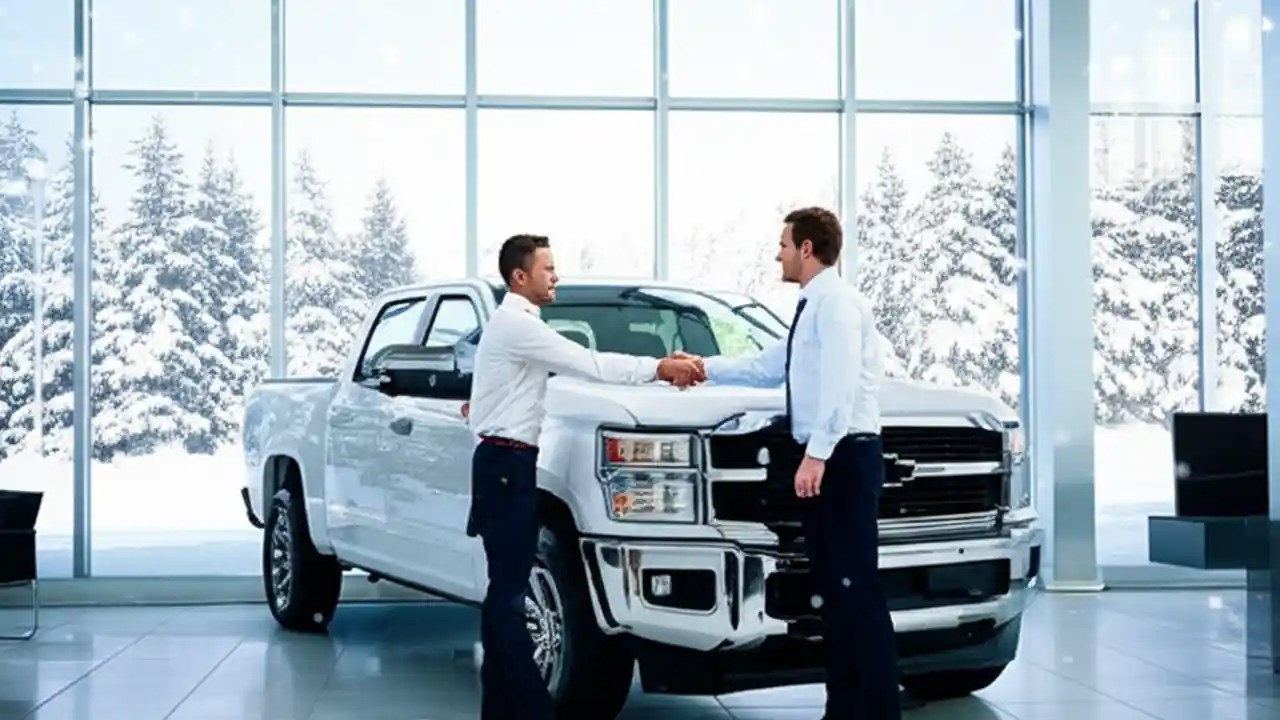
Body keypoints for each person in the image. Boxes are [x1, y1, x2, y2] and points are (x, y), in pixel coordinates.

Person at [465, 233, 704, 720]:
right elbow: (586, 362)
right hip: (507, 466)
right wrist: (658, 366)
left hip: (506, 464)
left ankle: (498, 710)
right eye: (548, 268)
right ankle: (534, 708)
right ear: (520, 276)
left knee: (503, 592)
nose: (556, 276)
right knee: (509, 597)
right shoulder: (517, 325)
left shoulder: (512, 327)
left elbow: (490, 400)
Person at [676, 207, 902, 719]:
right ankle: (844, 711)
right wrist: (703, 368)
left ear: (806, 248)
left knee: (855, 591)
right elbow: (769, 366)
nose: (776, 253)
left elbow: (841, 388)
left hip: (843, 460)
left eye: (782, 244)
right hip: (831, 459)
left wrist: (816, 456)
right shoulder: (812, 307)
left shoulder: (837, 306)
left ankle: (878, 712)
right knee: (836, 593)